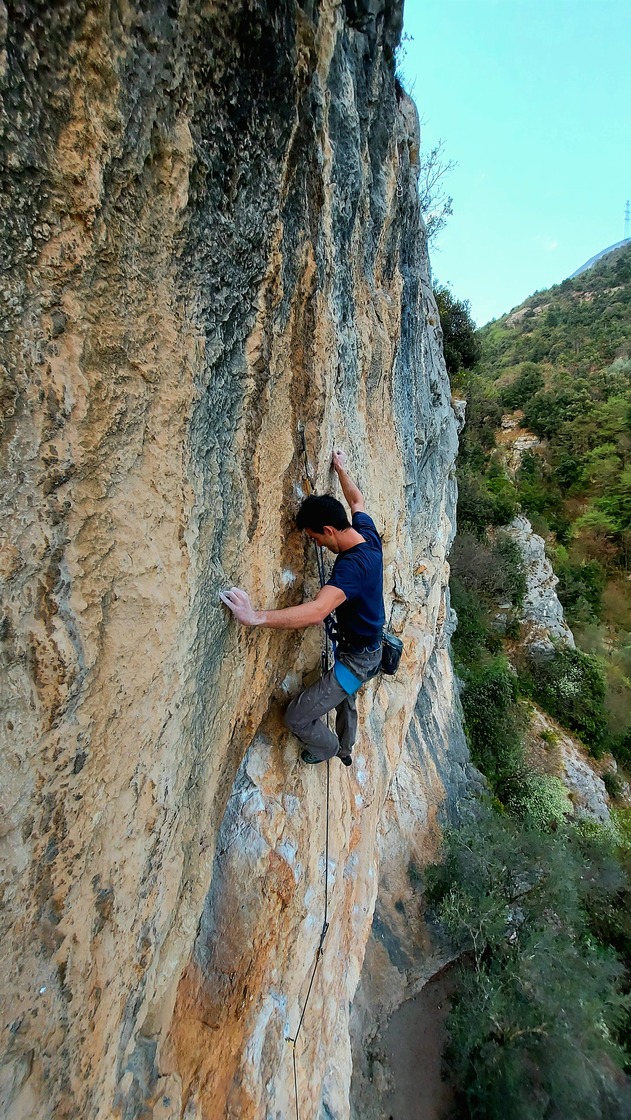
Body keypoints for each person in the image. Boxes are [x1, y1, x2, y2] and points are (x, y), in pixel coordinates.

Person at [220, 450, 385, 766]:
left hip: (357, 659)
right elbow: (357, 501)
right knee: (346, 696)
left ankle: (329, 749)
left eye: (317, 539)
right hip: (366, 646)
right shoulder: (366, 534)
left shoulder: (351, 569)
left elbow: (317, 611)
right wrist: (340, 469)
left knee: (297, 717)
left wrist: (255, 617)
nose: (318, 546)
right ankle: (347, 746)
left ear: (329, 530)